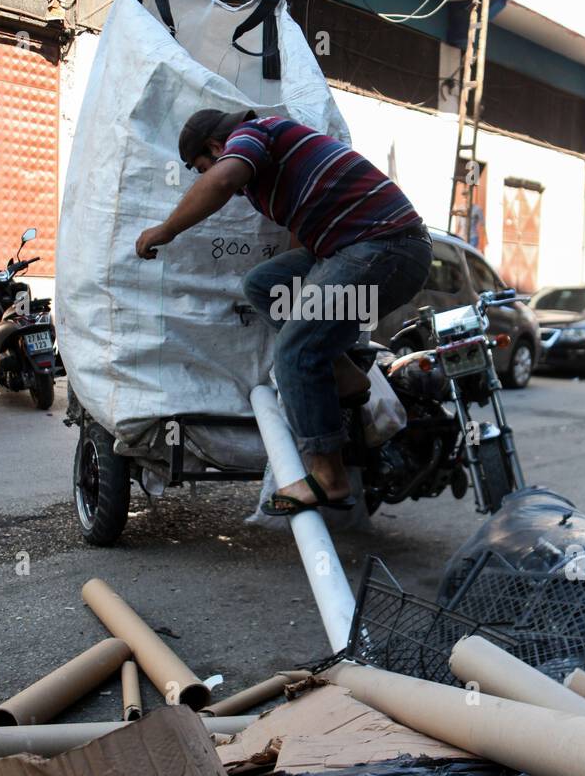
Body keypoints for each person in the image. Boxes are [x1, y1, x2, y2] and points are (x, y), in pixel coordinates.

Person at [135, 108, 432, 515]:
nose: (211, 173)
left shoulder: (254, 133)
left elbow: (223, 179)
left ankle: (328, 475)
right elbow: (301, 228)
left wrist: (165, 229)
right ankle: (342, 370)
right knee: (264, 284)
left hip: (384, 247)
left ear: (216, 146)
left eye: (203, 166)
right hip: (359, 248)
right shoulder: (274, 168)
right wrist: (307, 296)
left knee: (295, 352)